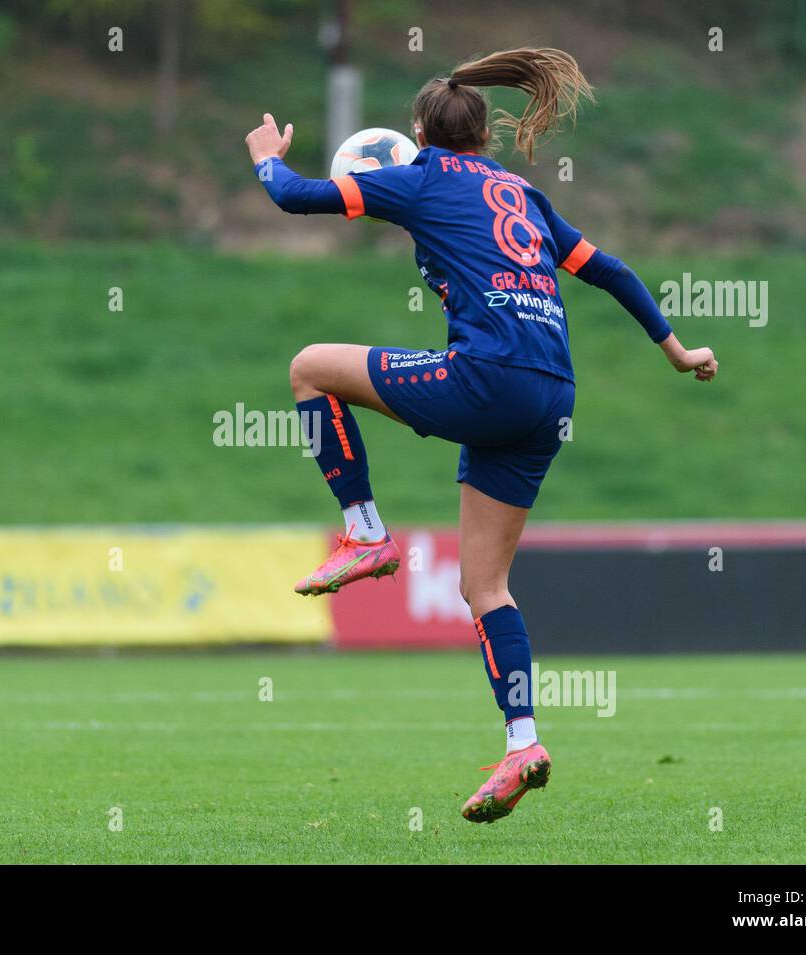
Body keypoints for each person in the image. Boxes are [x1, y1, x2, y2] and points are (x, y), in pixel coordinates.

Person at [245, 47, 718, 823]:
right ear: (482, 136)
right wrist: (677, 350)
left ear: (422, 135)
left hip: (487, 377)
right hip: (550, 395)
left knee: (308, 369)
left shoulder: (420, 178)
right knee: (484, 586)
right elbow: (611, 270)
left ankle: (366, 533)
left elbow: (295, 198)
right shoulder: (522, 193)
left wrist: (267, 160)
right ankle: (522, 741)